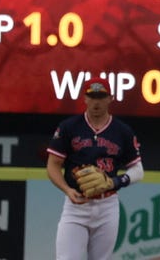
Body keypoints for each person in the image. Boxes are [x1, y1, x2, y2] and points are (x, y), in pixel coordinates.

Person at [45, 76, 143, 260]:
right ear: (85, 98)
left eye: (101, 96)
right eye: (92, 96)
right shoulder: (69, 127)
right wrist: (67, 190)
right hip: (77, 204)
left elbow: (138, 171)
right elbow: (53, 165)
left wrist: (114, 182)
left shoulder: (122, 131)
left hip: (107, 205)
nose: (96, 101)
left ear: (110, 98)